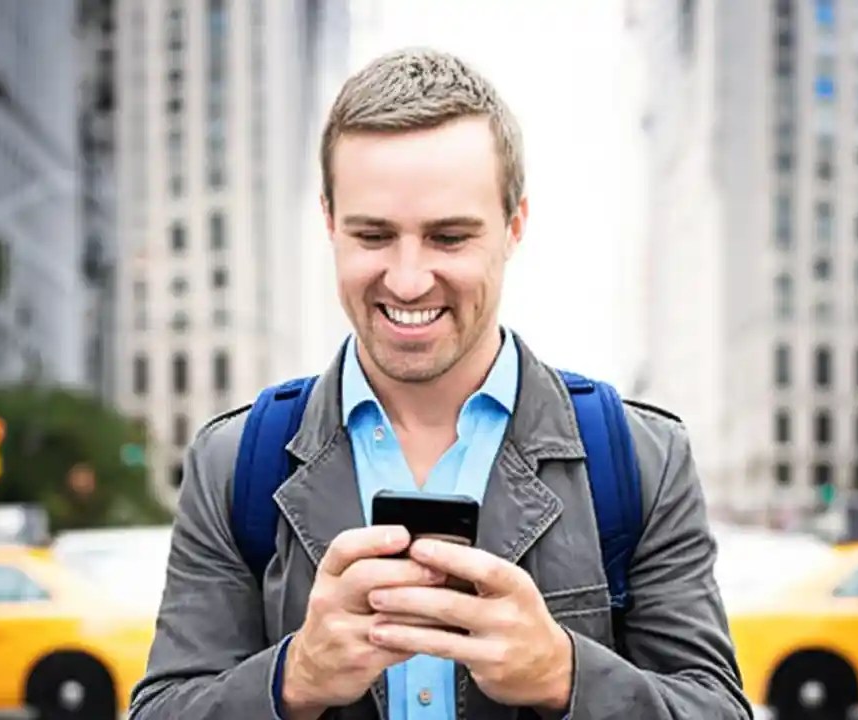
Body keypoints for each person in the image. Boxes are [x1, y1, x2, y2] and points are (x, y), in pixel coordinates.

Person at [129, 47, 752, 720]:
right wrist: (292, 679)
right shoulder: (233, 464)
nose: (406, 279)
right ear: (330, 223)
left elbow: (716, 707)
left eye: (448, 238)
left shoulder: (640, 459)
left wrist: (566, 674)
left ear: (514, 226)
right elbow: (164, 707)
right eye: (373, 235)